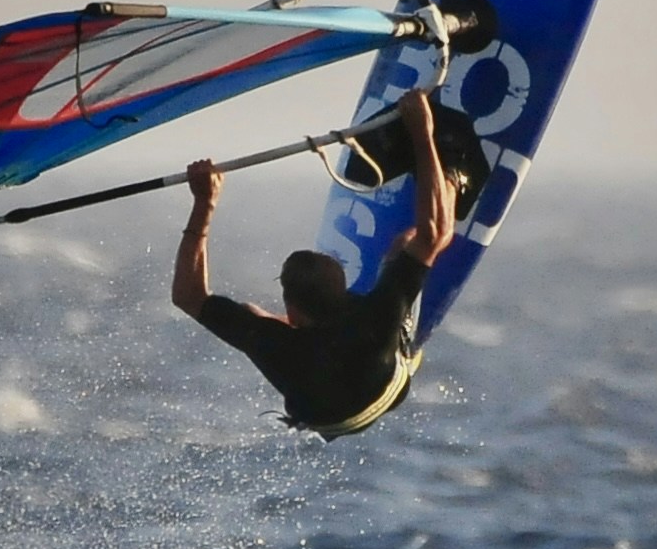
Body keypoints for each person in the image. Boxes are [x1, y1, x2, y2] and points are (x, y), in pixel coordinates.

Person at [172, 92, 459, 438]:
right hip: (384, 390)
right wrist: (422, 132)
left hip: (318, 410)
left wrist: (204, 203)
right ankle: (457, 179)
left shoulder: (274, 342)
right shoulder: (374, 318)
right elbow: (434, 233)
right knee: (406, 245)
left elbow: (188, 296)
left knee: (249, 316)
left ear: (293, 316)